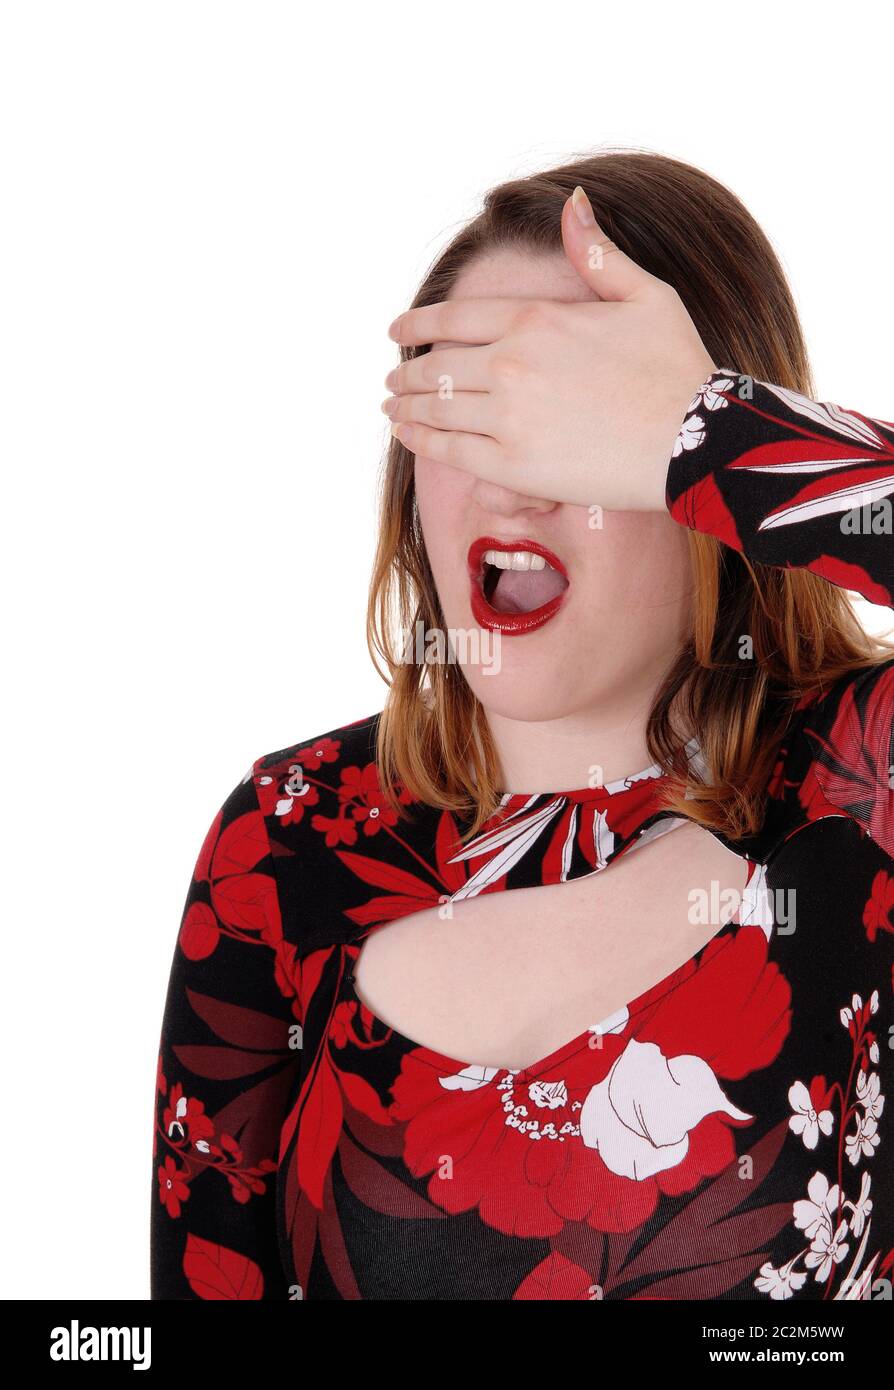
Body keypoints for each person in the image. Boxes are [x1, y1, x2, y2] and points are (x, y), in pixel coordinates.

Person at [151, 151, 893, 1301]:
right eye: (471, 410)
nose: (519, 485)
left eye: (581, 423)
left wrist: (716, 431)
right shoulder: (286, 835)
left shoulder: (863, 791)